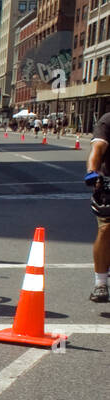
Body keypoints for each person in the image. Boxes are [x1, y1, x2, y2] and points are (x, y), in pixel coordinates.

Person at [83, 114, 110, 301]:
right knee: (106, 228)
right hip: (109, 182)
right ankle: (100, 282)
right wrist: (92, 171)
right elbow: (98, 148)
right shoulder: (107, 121)